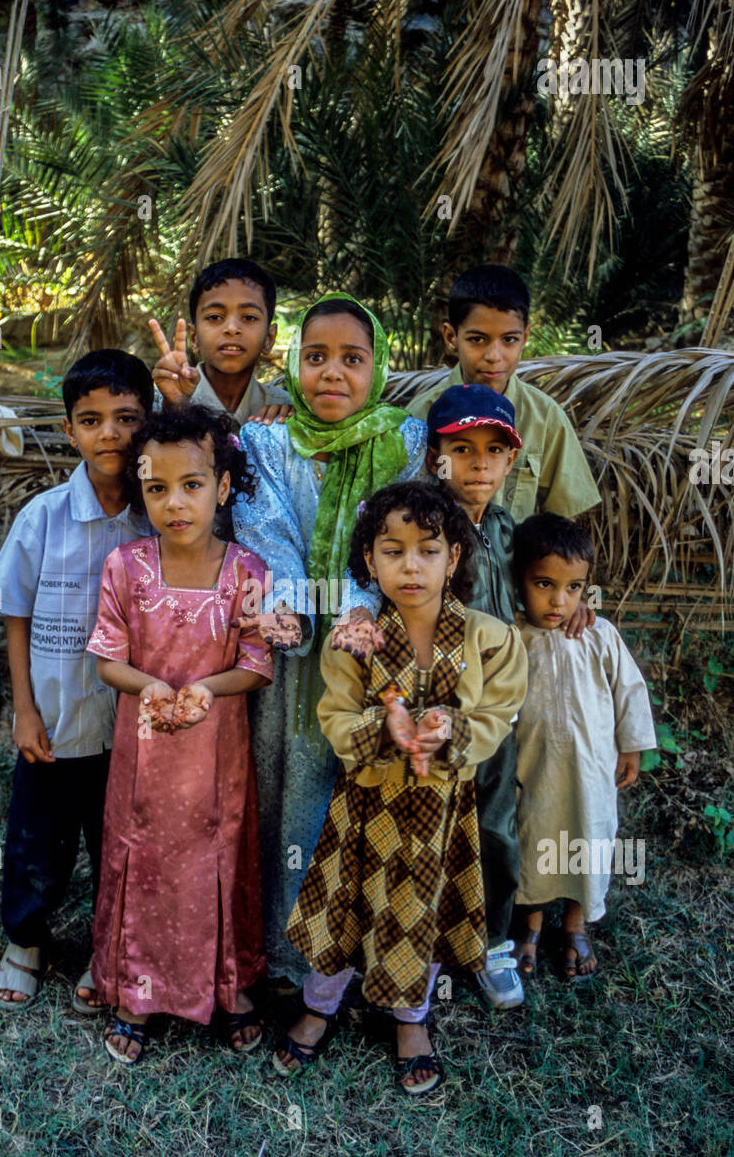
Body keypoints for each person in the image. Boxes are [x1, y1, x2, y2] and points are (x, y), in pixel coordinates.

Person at [274, 483, 528, 1095]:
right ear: (369, 561)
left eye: (428, 550)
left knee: (426, 914)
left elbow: (501, 712)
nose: (410, 566)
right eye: (393, 551)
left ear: (455, 558)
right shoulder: (354, 641)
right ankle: (319, 1005)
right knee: (343, 910)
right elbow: (336, 721)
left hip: (441, 818)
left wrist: (453, 727)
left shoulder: (490, 638)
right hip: (364, 811)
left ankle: (412, 1018)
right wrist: (379, 727)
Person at [232, 294, 429, 990]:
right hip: (289, 651)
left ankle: (345, 953)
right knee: (280, 783)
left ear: (377, 367)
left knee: (356, 797)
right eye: (315, 358)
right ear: (291, 365)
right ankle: (279, 950)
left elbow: (391, 534)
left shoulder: (402, 440)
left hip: (365, 649)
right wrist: (291, 608)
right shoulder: (263, 440)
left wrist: (356, 609)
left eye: (352, 359)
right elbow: (266, 529)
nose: (332, 374)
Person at [86, 404, 274, 1066]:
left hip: (217, 758)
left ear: (222, 488)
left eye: (192, 485)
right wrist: (151, 687)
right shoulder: (125, 567)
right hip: (144, 757)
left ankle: (230, 989)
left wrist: (204, 690)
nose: (174, 503)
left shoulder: (247, 572)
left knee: (219, 862)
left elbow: (256, 664)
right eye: (157, 487)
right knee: (143, 863)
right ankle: (134, 994)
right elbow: (107, 656)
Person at [0, 350, 153, 1012]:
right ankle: (25, 940)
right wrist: (23, 710)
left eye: (126, 417)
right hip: (50, 723)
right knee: (35, 842)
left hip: (130, 732)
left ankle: (110, 948)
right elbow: (15, 614)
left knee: (122, 847)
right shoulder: (43, 517)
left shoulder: (159, 520)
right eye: (91, 420)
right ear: (69, 428)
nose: (109, 433)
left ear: (149, 420)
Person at [424, 383, 595, 1011]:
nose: (478, 464)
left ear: (510, 461)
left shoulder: (506, 527)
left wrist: (573, 608)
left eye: (494, 451)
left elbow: (542, 591)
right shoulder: (420, 525)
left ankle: (493, 942)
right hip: (432, 709)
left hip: (493, 717)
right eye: (461, 449)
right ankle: (419, 942)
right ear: (433, 456)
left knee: (495, 827)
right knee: (427, 827)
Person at [511, 513, 656, 980]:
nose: (559, 601)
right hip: (533, 771)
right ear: (519, 580)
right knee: (532, 840)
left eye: (573, 588)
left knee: (588, 840)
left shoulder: (598, 634)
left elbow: (629, 689)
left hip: (591, 774)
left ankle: (577, 925)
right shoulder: (511, 637)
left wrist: (631, 746)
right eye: (544, 584)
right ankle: (529, 927)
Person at [407, 264, 601, 522]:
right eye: (477, 339)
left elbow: (564, 522)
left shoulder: (545, 419)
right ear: (451, 337)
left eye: (509, 340)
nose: (493, 356)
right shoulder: (419, 417)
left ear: (525, 337)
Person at [147, 257, 292, 426]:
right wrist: (175, 407)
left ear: (269, 338)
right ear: (194, 338)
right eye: (215, 317)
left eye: (249, 317)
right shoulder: (158, 402)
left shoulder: (284, 409)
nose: (231, 328)